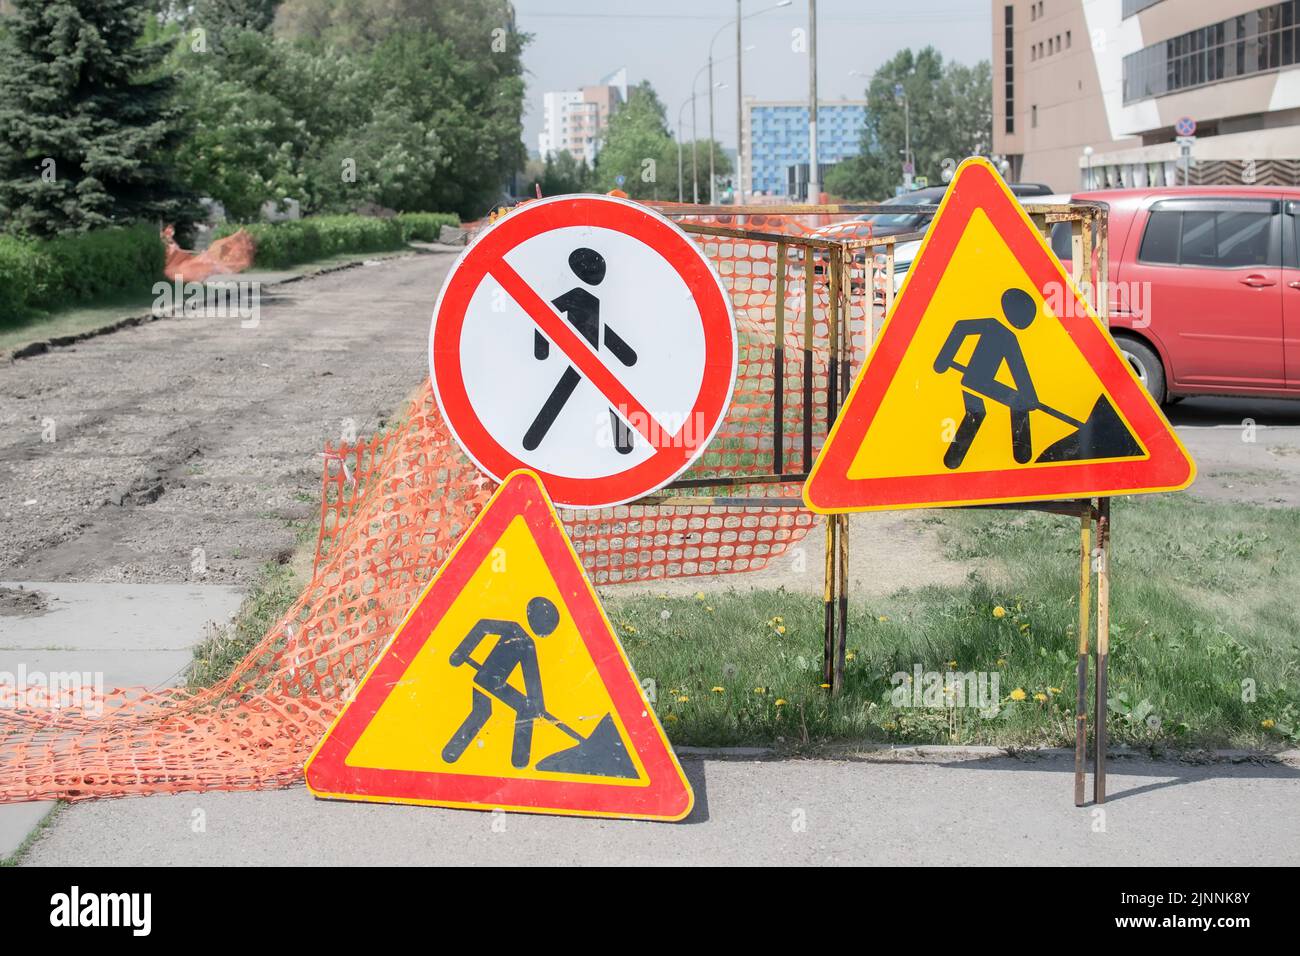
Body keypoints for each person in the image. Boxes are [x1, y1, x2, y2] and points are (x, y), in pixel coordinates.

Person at [524, 248, 638, 455]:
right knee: (563, 397)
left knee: (602, 398)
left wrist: (625, 354)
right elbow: (543, 321)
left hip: (593, 359)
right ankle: (532, 439)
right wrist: (542, 350)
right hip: (579, 359)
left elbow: (601, 329)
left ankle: (532, 439)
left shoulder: (590, 299)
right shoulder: (574, 296)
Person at [441, 596, 561, 769]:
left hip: (488, 680)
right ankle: (520, 759)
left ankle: (451, 752)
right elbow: (482, 626)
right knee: (524, 708)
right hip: (489, 680)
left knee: (481, 712)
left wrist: (539, 705)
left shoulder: (526, 640)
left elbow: (531, 678)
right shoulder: (517, 633)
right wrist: (459, 653)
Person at [932, 288, 1040, 469]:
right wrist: (942, 360)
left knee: (976, 414)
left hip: (975, 381)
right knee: (1018, 404)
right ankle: (1022, 454)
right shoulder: (1000, 331)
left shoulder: (1005, 334)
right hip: (980, 381)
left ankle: (952, 460)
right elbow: (960, 327)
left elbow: (1018, 369)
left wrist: (1031, 397)